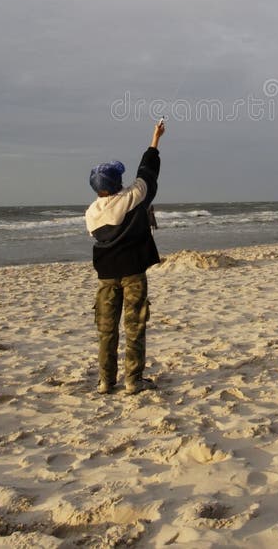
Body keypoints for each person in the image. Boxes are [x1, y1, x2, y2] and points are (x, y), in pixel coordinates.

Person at [85, 120, 165, 395]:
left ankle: (106, 381)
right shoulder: (133, 196)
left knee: (106, 331)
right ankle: (133, 380)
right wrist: (155, 139)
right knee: (135, 327)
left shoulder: (90, 214)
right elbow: (148, 172)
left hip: (106, 276)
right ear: (118, 183)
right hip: (133, 273)